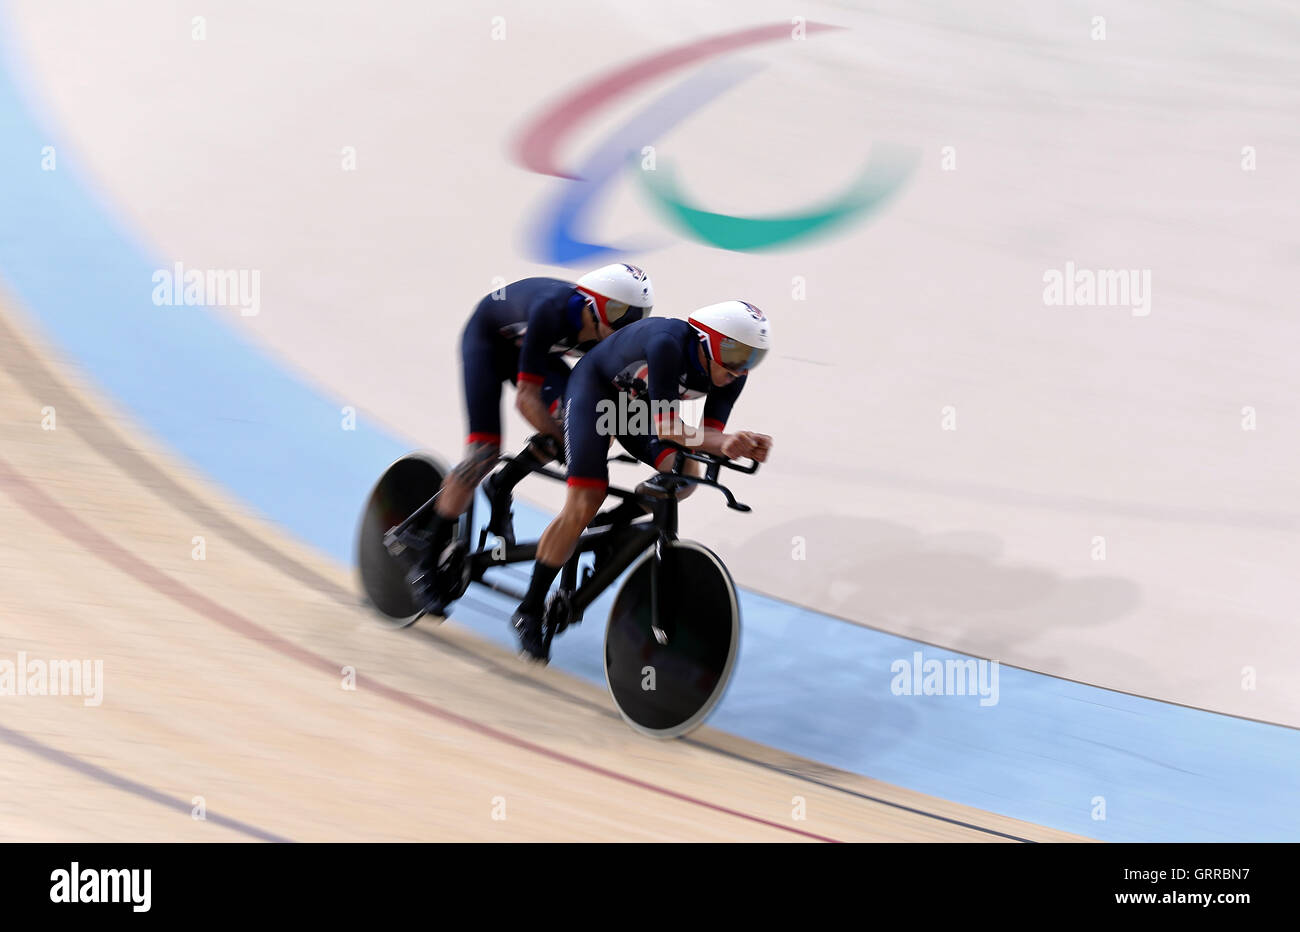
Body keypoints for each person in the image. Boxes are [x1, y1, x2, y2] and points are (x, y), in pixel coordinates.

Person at [510, 300, 774, 660]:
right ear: (707, 341)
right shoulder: (668, 343)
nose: (741, 367)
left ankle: (609, 527)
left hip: (638, 406)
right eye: (735, 352)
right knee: (586, 498)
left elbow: (706, 440)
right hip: (595, 394)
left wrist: (739, 446)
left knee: (685, 478)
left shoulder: (732, 376)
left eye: (752, 357)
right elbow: (670, 428)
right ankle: (529, 608)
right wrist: (725, 444)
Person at [409, 264, 655, 610]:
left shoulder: (605, 332)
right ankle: (425, 561)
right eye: (618, 314)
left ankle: (503, 483)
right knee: (483, 453)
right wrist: (568, 443)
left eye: (635, 318)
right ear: (592, 304)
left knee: (582, 418)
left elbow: (616, 396)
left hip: (538, 352)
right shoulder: (551, 310)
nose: (624, 326)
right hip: (489, 344)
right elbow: (526, 400)